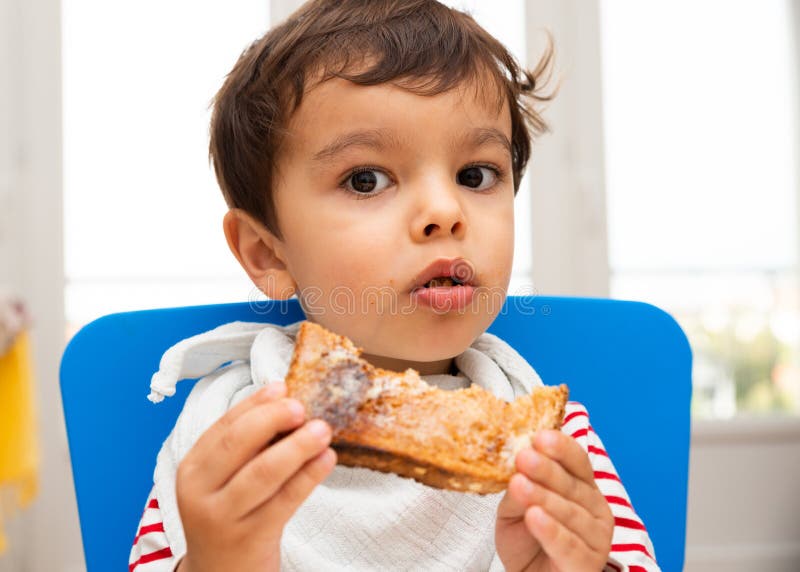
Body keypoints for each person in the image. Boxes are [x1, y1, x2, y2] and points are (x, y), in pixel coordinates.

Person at [128, 1, 659, 570]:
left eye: (475, 175)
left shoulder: (554, 443)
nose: (444, 211)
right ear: (267, 252)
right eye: (366, 179)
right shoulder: (227, 445)